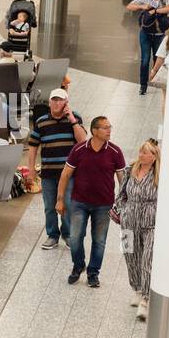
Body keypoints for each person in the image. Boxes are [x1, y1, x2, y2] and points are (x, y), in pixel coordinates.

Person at [57, 116, 125, 289]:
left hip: (104, 204)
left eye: (110, 127)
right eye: (105, 128)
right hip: (79, 202)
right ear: (94, 131)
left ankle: (93, 273)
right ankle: (78, 265)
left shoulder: (115, 152)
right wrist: (60, 200)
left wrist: (124, 203)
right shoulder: (79, 149)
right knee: (75, 237)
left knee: (99, 240)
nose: (109, 130)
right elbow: (65, 175)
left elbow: (122, 180)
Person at [26, 88, 86, 249]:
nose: (56, 103)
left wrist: (72, 119)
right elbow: (32, 147)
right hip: (48, 172)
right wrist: (31, 169)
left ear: (66, 102)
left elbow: (82, 141)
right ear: (50, 102)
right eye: (54, 100)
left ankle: (67, 234)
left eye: (60, 100)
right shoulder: (41, 121)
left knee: (67, 203)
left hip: (69, 174)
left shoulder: (75, 118)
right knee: (49, 206)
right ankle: (52, 235)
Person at [114, 139, 159, 321]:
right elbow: (121, 194)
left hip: (151, 223)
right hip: (128, 220)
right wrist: (123, 209)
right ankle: (137, 289)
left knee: (147, 259)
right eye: (140, 151)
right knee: (130, 255)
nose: (141, 155)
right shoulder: (129, 170)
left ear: (154, 157)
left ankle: (146, 300)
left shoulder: (159, 175)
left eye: (146, 152)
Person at [126, 0, 169, 95]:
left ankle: (156, 81)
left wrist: (155, 11)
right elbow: (129, 6)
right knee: (145, 60)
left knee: (157, 59)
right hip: (145, 34)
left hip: (160, 34)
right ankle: (143, 85)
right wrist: (143, 6)